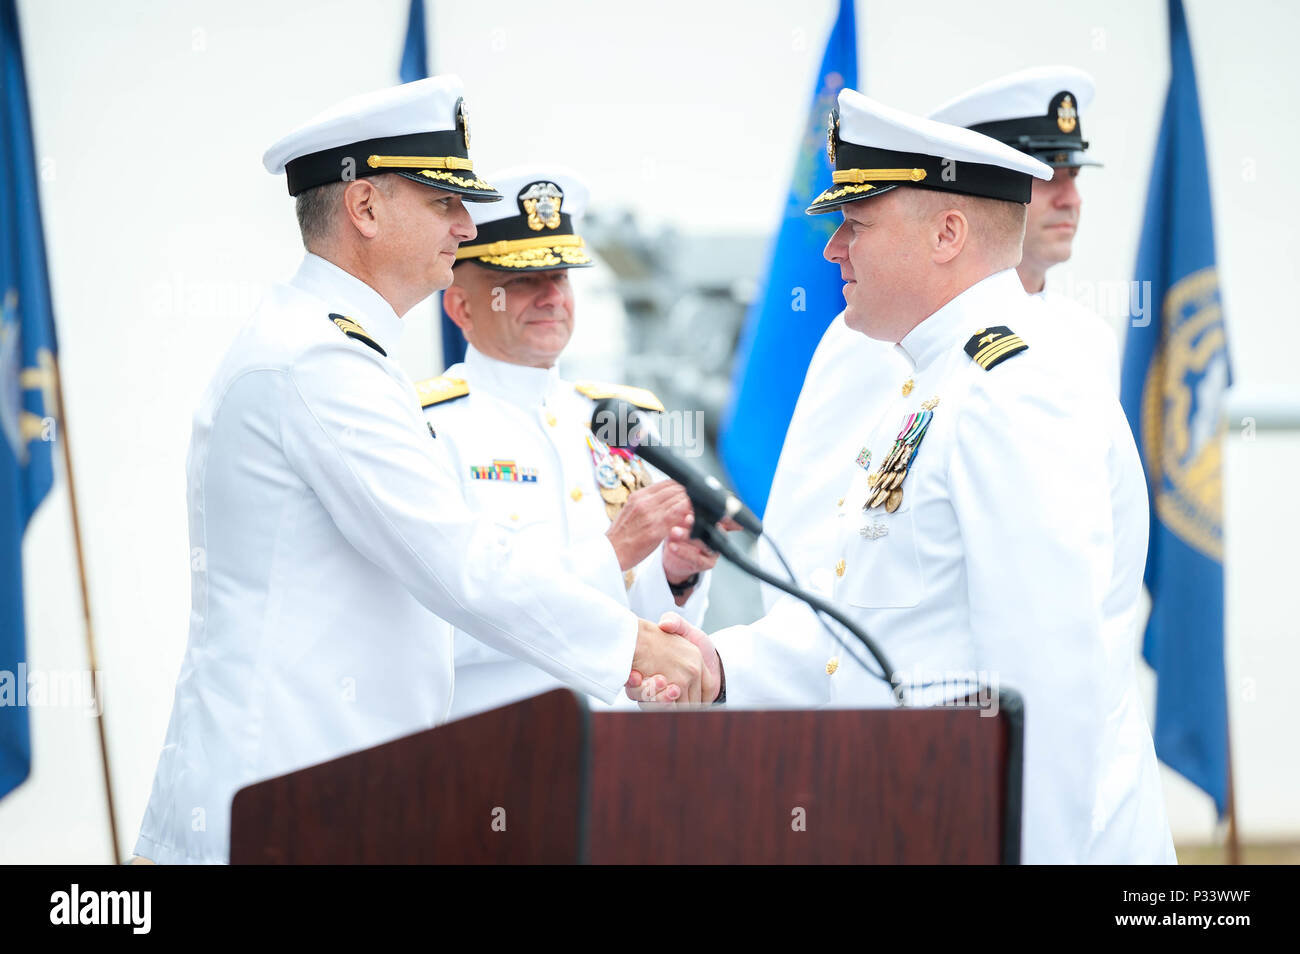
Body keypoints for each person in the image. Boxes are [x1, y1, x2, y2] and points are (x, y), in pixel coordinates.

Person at [133, 77, 712, 865]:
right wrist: (639, 649)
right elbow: (459, 562)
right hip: (283, 799)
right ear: (365, 208)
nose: (465, 226)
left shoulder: (336, 352)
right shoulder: (318, 362)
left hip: (340, 797)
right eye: (444, 202)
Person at [645, 89, 1176, 864]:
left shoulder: (1012, 392)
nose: (832, 250)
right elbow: (873, 630)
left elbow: (1049, 684)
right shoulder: (925, 385)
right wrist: (723, 666)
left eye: (856, 225)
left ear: (948, 234)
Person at [760, 67, 1116, 610]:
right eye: (1045, 173)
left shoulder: (1086, 340)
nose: (1069, 198)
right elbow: (805, 547)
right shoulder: (874, 337)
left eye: (1071, 173)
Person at [423, 166, 716, 719]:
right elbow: (438, 629)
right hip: (489, 754)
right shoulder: (429, 429)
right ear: (461, 307)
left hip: (620, 749)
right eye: (523, 281)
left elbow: (645, 627)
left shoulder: (619, 418)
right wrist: (609, 555)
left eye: (562, 276)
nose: (552, 296)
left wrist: (676, 574)